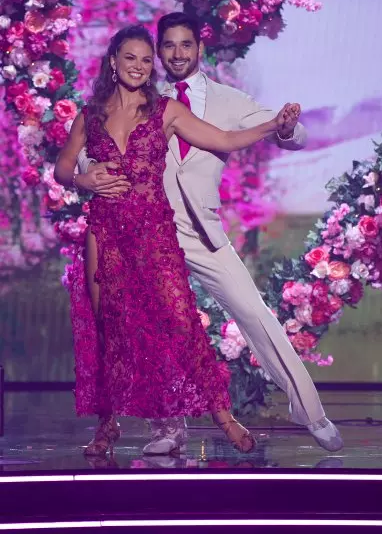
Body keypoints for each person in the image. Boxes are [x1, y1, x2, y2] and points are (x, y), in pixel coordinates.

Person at [55, 24, 301, 457]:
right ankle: (107, 426)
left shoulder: (164, 110)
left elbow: (223, 138)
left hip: (153, 234)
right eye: (130, 58)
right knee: (110, 330)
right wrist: (83, 179)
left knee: (183, 326)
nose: (139, 66)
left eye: (146, 60)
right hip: (105, 234)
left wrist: (272, 126)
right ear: (113, 62)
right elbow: (63, 168)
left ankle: (225, 420)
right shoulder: (90, 114)